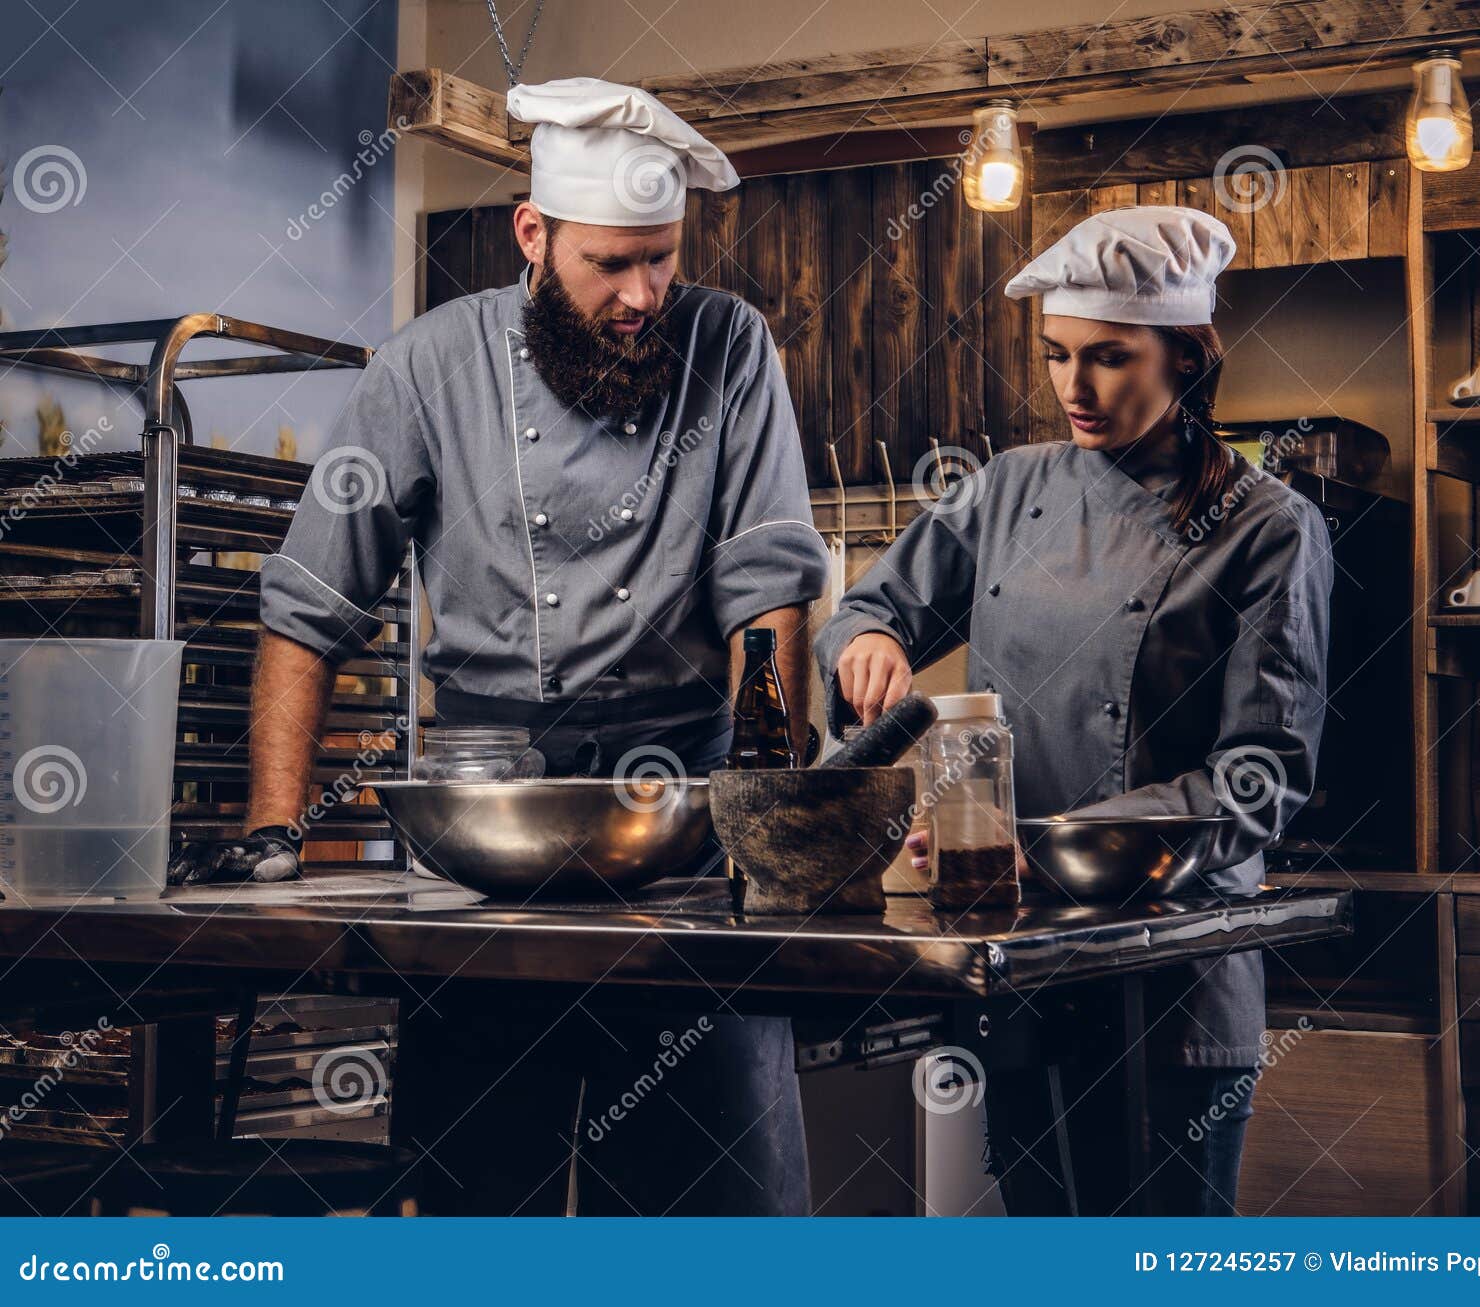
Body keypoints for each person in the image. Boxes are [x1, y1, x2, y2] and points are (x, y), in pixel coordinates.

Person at [169, 77, 828, 1216]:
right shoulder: (423, 369)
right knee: (481, 1209)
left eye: (660, 259)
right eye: (607, 264)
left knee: (725, 1217)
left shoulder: (729, 347)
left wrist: (764, 795)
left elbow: (766, 592)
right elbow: (310, 598)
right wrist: (274, 828)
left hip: (677, 826)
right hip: (482, 840)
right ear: (533, 234)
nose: (641, 295)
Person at [813, 206, 1333, 1215]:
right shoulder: (1007, 488)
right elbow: (869, 608)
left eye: (1106, 357)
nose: (1073, 388)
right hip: (1020, 955)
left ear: (1185, 355)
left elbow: (1261, 774)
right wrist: (865, 640)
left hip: (1171, 959)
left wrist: (1056, 841)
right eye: (1055, 356)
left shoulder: (1269, 525)